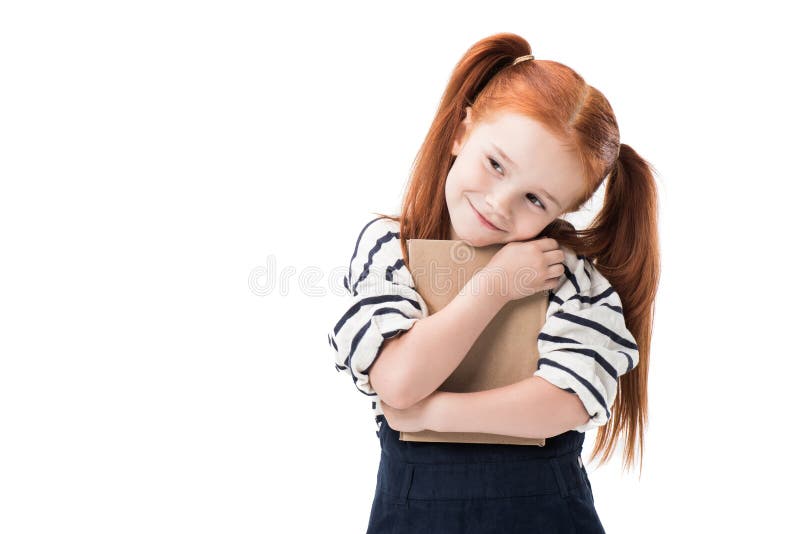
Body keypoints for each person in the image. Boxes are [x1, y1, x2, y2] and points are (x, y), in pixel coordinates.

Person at [327, 32, 660, 533]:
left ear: (563, 210)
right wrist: (494, 286)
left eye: (536, 200)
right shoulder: (390, 248)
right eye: (495, 163)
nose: (499, 202)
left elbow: (562, 402)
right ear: (462, 132)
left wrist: (431, 415)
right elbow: (397, 381)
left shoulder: (569, 277)